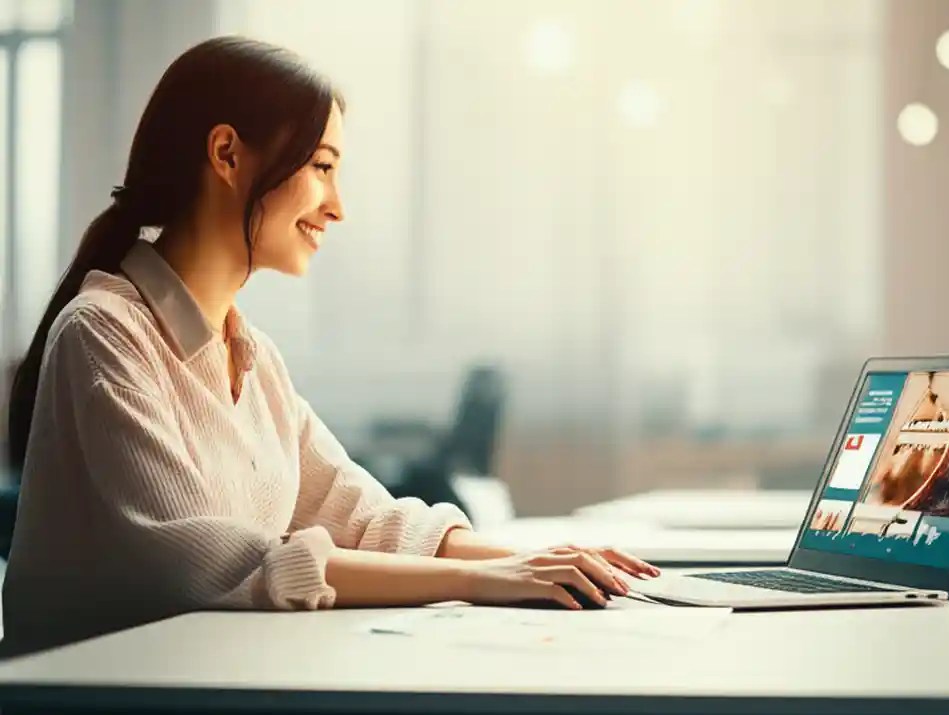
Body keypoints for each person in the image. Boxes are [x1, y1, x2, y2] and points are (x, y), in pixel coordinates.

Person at [1, 36, 658, 655]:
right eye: (321, 167)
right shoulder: (103, 333)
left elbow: (365, 519)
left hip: (208, 678)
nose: (336, 206)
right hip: (92, 699)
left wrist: (544, 563)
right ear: (227, 154)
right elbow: (203, 559)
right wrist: (483, 580)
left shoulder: (251, 356)